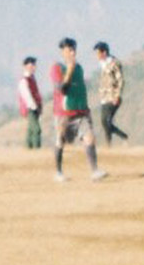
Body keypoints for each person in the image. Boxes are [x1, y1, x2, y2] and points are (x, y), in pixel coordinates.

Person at [50, 39, 106, 182]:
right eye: (69, 50)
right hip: (64, 114)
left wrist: (86, 108)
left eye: (74, 49)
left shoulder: (79, 68)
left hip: (80, 113)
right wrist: (69, 71)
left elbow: (81, 89)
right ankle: (58, 172)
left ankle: (94, 171)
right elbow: (61, 90)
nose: (73, 53)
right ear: (63, 51)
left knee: (89, 137)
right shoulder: (57, 68)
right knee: (60, 140)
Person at [93, 42, 129, 143]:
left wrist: (117, 95)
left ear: (104, 52)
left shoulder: (114, 63)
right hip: (104, 97)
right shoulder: (103, 64)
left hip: (112, 97)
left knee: (106, 122)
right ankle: (122, 137)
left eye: (98, 53)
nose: (96, 56)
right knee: (104, 122)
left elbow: (120, 80)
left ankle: (111, 143)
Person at [17, 57, 43, 150]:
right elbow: (27, 96)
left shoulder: (32, 79)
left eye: (34, 65)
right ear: (25, 66)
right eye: (32, 65)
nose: (34, 67)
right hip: (30, 108)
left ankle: (28, 148)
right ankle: (36, 148)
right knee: (36, 129)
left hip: (34, 107)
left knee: (30, 129)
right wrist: (34, 107)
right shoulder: (24, 80)